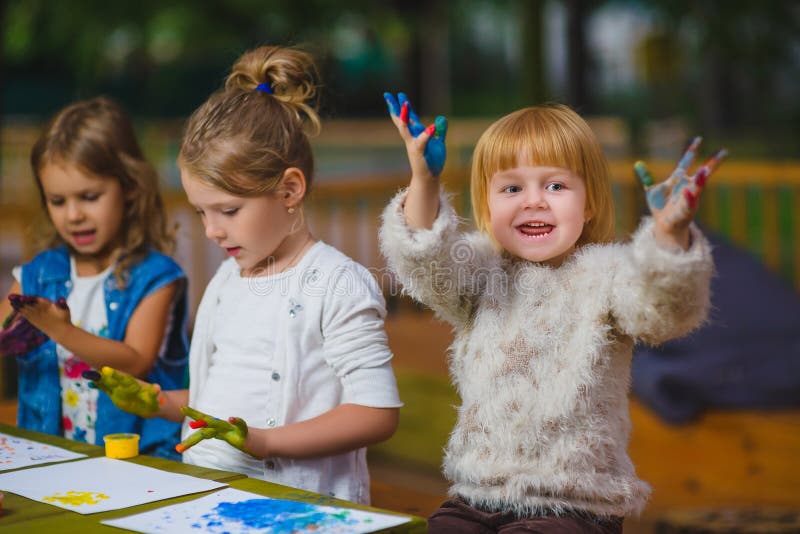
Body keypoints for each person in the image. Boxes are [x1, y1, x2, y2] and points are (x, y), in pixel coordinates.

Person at [379, 94, 722, 531]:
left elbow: (664, 311)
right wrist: (424, 181)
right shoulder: (480, 272)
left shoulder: (609, 273)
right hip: (476, 495)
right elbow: (427, 264)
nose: (534, 201)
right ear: (487, 206)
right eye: (512, 188)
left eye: (555, 186)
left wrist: (670, 239)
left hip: (574, 504)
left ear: (590, 202)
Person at [86, 45, 402, 505]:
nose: (212, 230)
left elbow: (377, 414)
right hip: (210, 500)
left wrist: (267, 442)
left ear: (290, 189)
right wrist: (159, 402)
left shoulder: (337, 283)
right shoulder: (227, 282)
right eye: (201, 212)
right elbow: (220, 404)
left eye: (229, 210)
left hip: (303, 512)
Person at [0, 96, 189, 460]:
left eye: (89, 197)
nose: (73, 215)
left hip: (138, 459)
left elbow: (136, 362)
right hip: (49, 453)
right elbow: (5, 328)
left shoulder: (155, 278)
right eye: (57, 201)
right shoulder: (37, 274)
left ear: (130, 186)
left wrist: (61, 332)